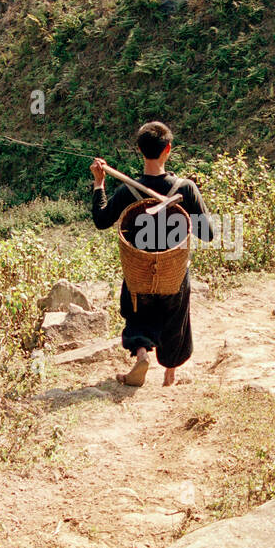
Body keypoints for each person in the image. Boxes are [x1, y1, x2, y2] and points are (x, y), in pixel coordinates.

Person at [91, 121, 214, 387]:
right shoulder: (185, 188)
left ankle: (142, 354)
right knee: (176, 315)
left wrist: (99, 184)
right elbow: (208, 234)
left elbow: (101, 220)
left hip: (140, 274)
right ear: (168, 149)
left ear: (139, 150)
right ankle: (170, 375)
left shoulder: (128, 191)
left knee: (136, 312)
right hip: (175, 275)